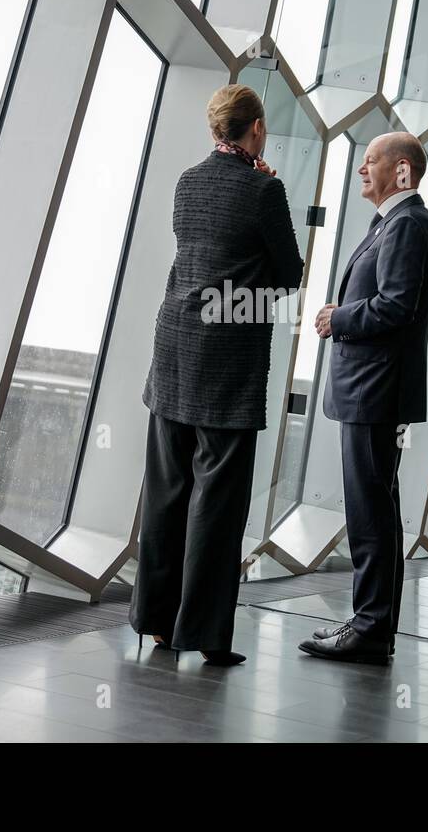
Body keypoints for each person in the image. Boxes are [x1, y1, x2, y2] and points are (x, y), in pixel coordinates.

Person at [131, 84, 304, 666]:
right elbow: (289, 275)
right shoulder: (266, 190)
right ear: (254, 129)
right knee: (218, 500)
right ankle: (203, 633)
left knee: (166, 489)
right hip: (227, 356)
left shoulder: (186, 181)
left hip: (174, 344)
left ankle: (155, 622)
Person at [299, 132, 428, 665]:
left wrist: (338, 318)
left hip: (375, 391)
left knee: (371, 513)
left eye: (370, 162)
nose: (362, 170)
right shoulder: (394, 223)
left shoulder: (407, 225)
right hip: (371, 388)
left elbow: (397, 306)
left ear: (401, 170)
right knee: (374, 509)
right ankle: (371, 626)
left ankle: (370, 628)